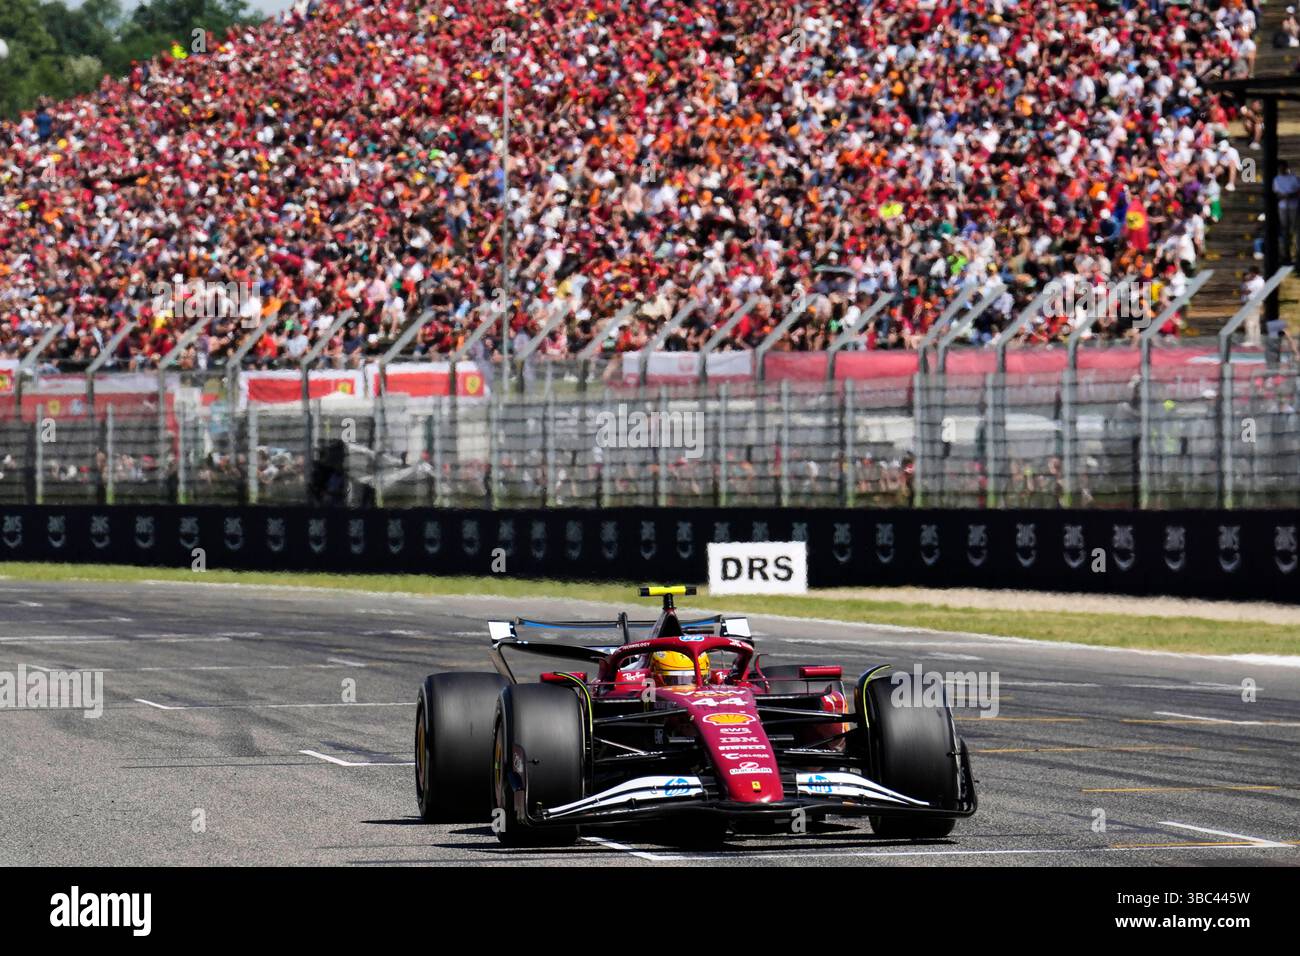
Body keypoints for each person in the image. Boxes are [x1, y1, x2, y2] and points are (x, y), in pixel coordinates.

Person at [1274, 160, 1300, 264]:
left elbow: (1298, 191)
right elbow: (1276, 193)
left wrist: (1291, 195)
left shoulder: (1293, 178)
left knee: (1296, 230)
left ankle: (1297, 254)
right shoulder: (1276, 179)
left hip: (1294, 206)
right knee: (1285, 231)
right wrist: (1282, 196)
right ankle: (1286, 254)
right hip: (1283, 206)